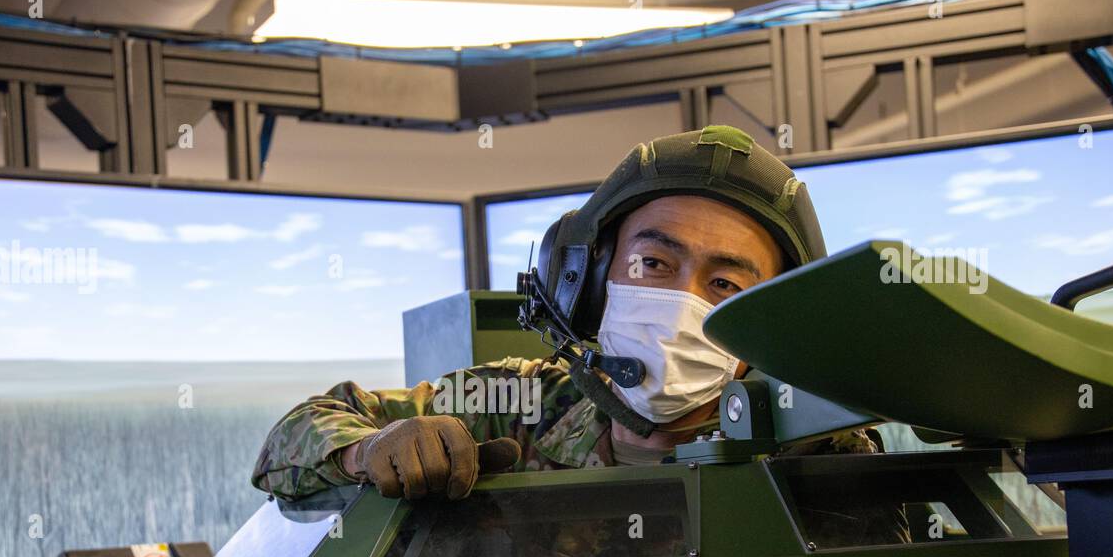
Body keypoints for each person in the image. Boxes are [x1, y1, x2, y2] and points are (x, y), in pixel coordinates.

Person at [252, 124, 882, 503]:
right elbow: (292, 435)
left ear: (775, 320)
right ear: (585, 280)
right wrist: (372, 452)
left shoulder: (818, 451)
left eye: (722, 282)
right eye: (653, 265)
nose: (683, 301)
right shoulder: (517, 401)